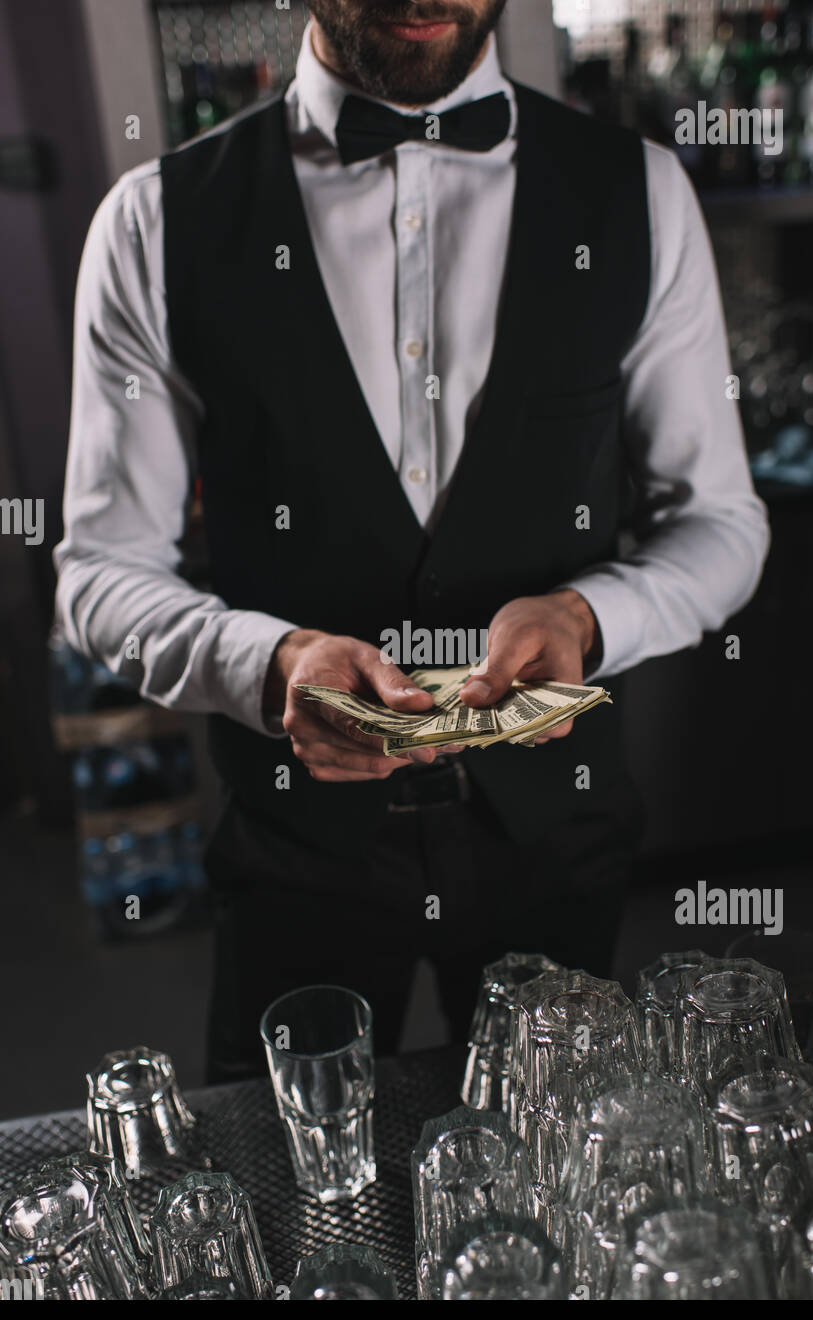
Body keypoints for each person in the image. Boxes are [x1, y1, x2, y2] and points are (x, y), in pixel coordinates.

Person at [55, 1, 769, 1079]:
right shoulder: (153, 221)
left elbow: (722, 521)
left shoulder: (641, 191)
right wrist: (274, 663)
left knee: (558, 1177)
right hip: (295, 846)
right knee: (291, 1193)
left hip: (553, 830)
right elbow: (102, 573)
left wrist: (587, 616)